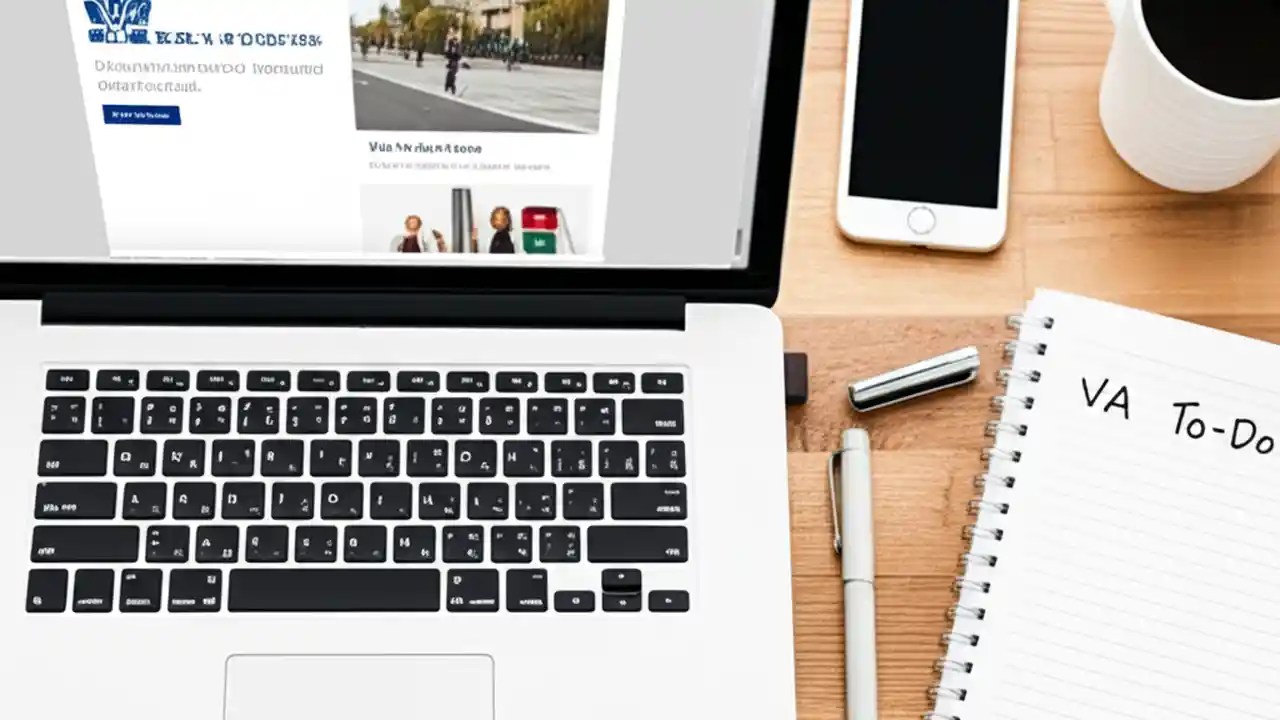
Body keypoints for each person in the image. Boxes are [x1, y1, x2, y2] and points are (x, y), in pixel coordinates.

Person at [444, 27, 462, 96]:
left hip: (455, 61)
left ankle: (452, 86)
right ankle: (448, 85)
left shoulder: (458, 45)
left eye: (455, 40)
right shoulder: (450, 44)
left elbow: (459, 54)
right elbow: (447, 52)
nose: (455, 41)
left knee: (453, 75)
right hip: (450, 61)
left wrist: (456, 54)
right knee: (449, 74)